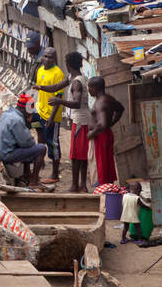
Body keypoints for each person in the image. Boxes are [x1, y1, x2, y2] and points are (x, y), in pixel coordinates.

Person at [54, 52, 91, 192]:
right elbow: (56, 87)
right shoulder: (73, 78)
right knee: (81, 154)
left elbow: (76, 103)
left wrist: (59, 101)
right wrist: (41, 88)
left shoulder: (76, 82)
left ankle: (76, 186)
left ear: (68, 65)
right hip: (82, 120)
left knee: (76, 155)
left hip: (80, 120)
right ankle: (82, 185)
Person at [31, 46, 67, 186]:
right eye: (45, 56)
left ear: (55, 58)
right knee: (39, 136)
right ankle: (40, 162)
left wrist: (51, 118)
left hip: (52, 116)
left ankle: (55, 173)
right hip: (39, 111)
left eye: (50, 57)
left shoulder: (58, 74)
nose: (46, 59)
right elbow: (40, 91)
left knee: (53, 144)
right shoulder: (40, 70)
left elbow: (58, 97)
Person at [0, 94, 46, 185]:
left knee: (24, 145)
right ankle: (34, 181)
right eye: (30, 113)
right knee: (41, 148)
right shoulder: (17, 120)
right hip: (5, 154)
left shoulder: (7, 113)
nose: (30, 115)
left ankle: (26, 174)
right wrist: (28, 124)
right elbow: (27, 143)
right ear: (25, 110)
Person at [88, 76, 123, 186]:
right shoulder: (108, 98)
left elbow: (101, 124)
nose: (88, 90)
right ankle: (108, 187)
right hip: (106, 133)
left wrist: (91, 133)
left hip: (100, 136)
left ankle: (102, 189)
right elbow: (120, 109)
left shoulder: (100, 103)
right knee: (106, 162)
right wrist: (111, 123)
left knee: (101, 164)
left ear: (96, 88)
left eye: (90, 87)